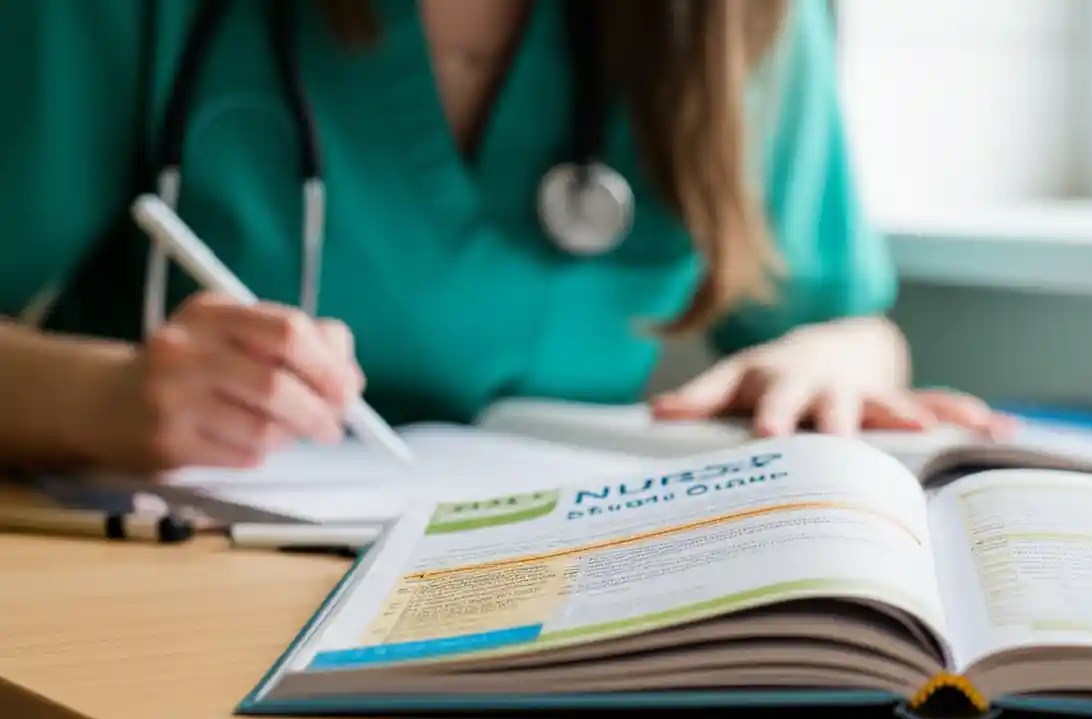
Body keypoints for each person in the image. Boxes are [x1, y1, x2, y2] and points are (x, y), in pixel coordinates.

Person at [0, 0, 1009, 474]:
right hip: (174, 581)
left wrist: (816, 362)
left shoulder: (737, 21)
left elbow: (844, 321)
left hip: (568, 598)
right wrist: (104, 400)